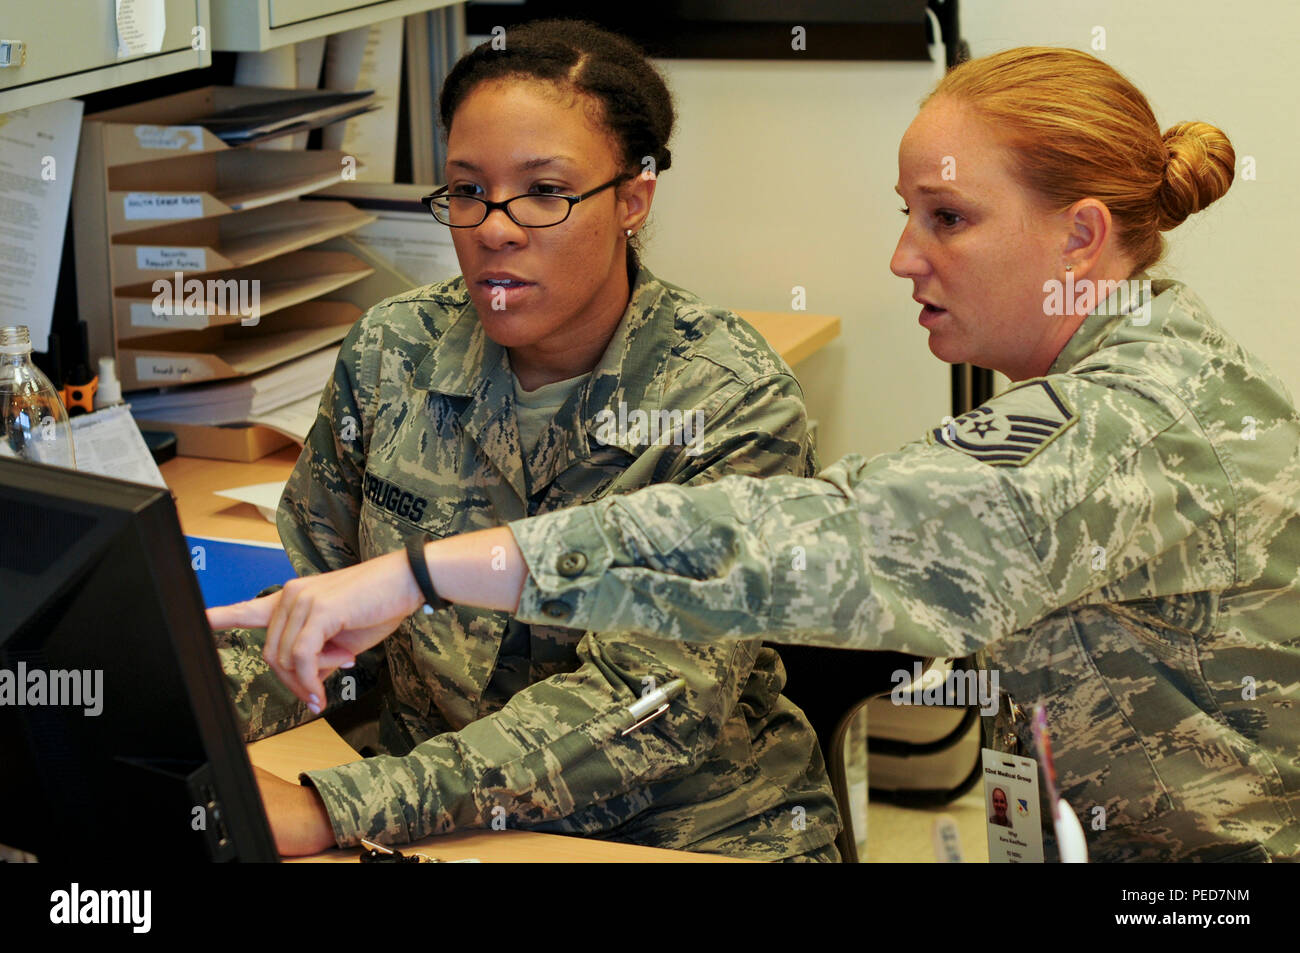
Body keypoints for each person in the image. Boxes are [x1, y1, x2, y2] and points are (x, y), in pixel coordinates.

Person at [213, 47, 1300, 863]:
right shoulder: (1139, 380)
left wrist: (422, 570)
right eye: (907, 212)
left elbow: (777, 544)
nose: (901, 256)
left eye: (950, 218)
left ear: (1079, 235)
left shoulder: (1123, 432)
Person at [210, 20, 841, 861]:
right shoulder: (393, 353)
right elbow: (306, 608)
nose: (495, 228)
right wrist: (156, 712)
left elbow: (649, 703)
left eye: (544, 191)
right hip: (443, 825)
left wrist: (338, 807)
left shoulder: (731, 401)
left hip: (684, 831)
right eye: (467, 191)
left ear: (633, 198)